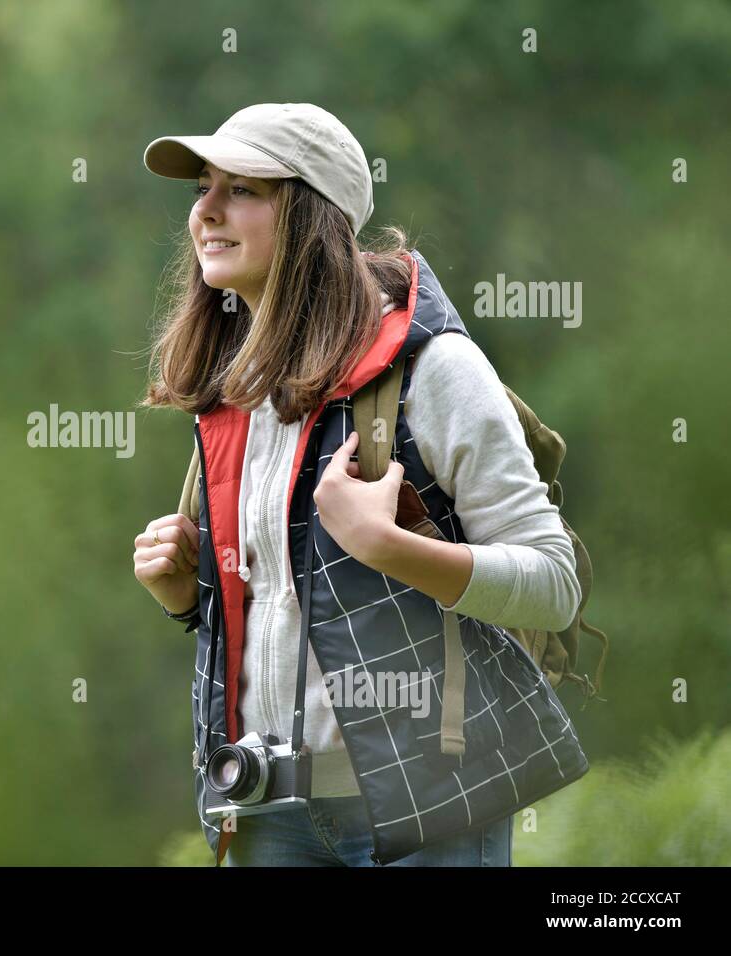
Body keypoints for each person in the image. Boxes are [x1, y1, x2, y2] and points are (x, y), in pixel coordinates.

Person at [130, 104, 585, 866]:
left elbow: (553, 581)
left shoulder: (433, 368)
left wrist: (389, 545)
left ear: (309, 214)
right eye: (203, 187)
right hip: (266, 810)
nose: (205, 209)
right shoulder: (230, 388)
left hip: (429, 812)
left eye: (242, 189)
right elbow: (283, 610)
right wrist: (186, 595)